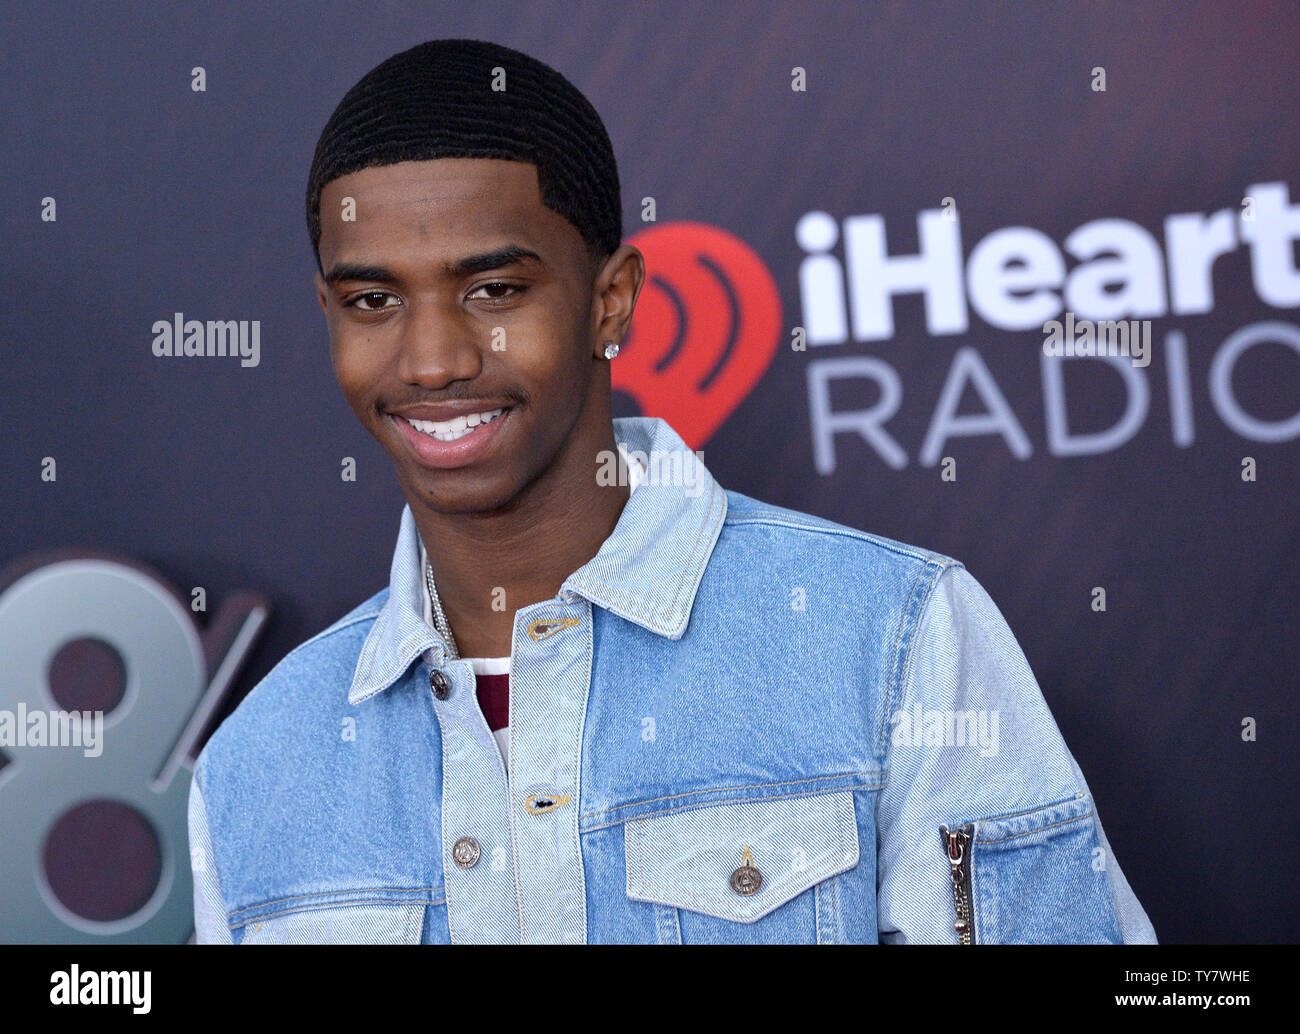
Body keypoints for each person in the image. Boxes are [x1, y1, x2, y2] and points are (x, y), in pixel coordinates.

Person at [188, 37, 1157, 944]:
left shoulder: (892, 640)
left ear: (611, 299)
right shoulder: (253, 766)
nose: (433, 358)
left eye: (495, 290)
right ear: (327, 314)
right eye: (374, 301)